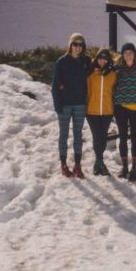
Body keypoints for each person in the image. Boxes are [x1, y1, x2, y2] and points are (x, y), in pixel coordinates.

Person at [50, 33, 92, 179]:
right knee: (64, 134)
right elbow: (55, 86)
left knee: (78, 135)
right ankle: (63, 165)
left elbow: (96, 74)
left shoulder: (86, 61)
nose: (78, 48)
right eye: (75, 44)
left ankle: (78, 165)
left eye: (81, 45)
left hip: (80, 104)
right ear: (70, 45)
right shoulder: (61, 62)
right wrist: (57, 105)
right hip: (65, 105)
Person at [112, 45, 136, 179]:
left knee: (134, 137)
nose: (128, 55)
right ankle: (124, 167)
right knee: (122, 136)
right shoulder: (117, 68)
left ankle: (134, 168)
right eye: (125, 53)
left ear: (134, 54)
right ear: (122, 54)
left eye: (130, 52)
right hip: (120, 106)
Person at [84, 48, 117, 178]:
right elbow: (85, 90)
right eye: (100, 58)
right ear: (96, 59)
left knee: (102, 137)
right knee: (97, 136)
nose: (102, 61)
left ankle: (97, 164)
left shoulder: (113, 74)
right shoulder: (90, 74)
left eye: (105, 58)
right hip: (92, 111)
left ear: (108, 60)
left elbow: (115, 91)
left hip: (107, 111)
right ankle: (100, 162)